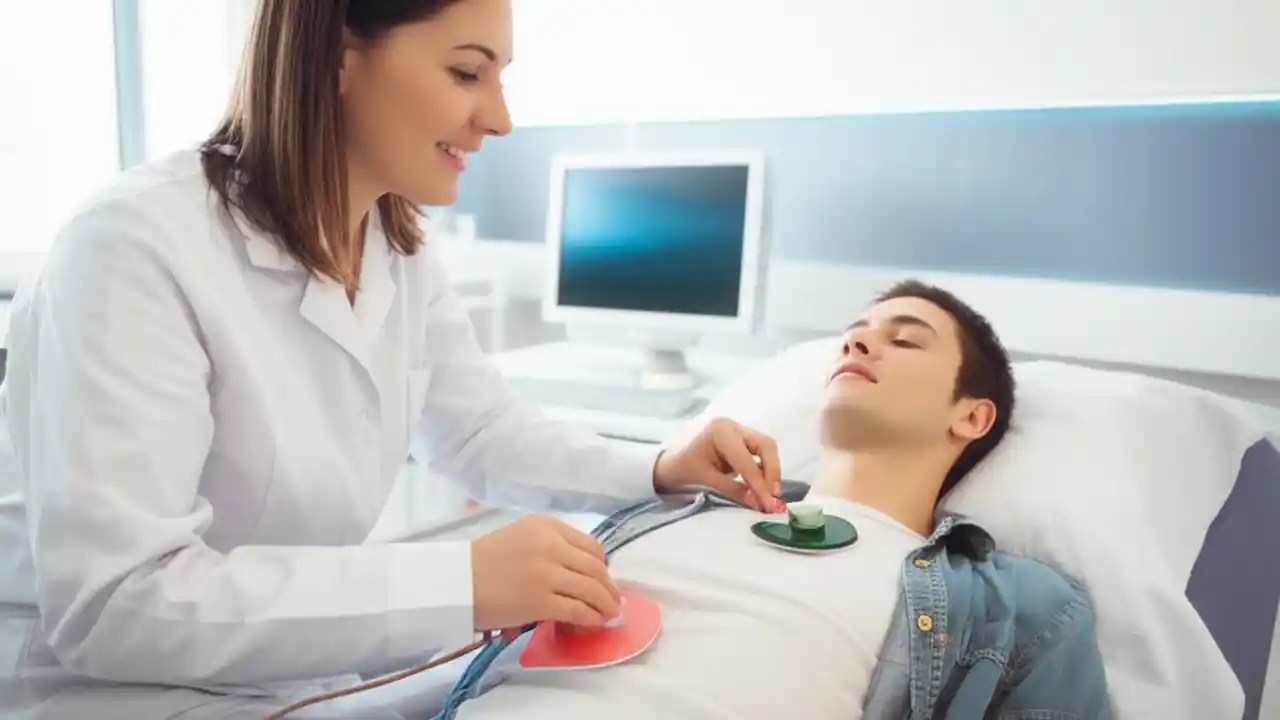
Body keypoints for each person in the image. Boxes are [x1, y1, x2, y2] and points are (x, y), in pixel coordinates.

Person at [0, 1, 786, 717]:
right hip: (118, 697)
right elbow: (117, 607)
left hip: (294, 677)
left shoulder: (391, 243)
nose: (501, 119)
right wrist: (463, 582)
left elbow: (479, 434)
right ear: (340, 55)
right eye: (466, 72)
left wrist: (659, 468)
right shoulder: (133, 250)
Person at [434, 281, 1112, 719]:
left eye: (903, 339)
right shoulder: (667, 516)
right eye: (858, 332)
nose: (860, 340)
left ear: (971, 417)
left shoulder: (1013, 604)